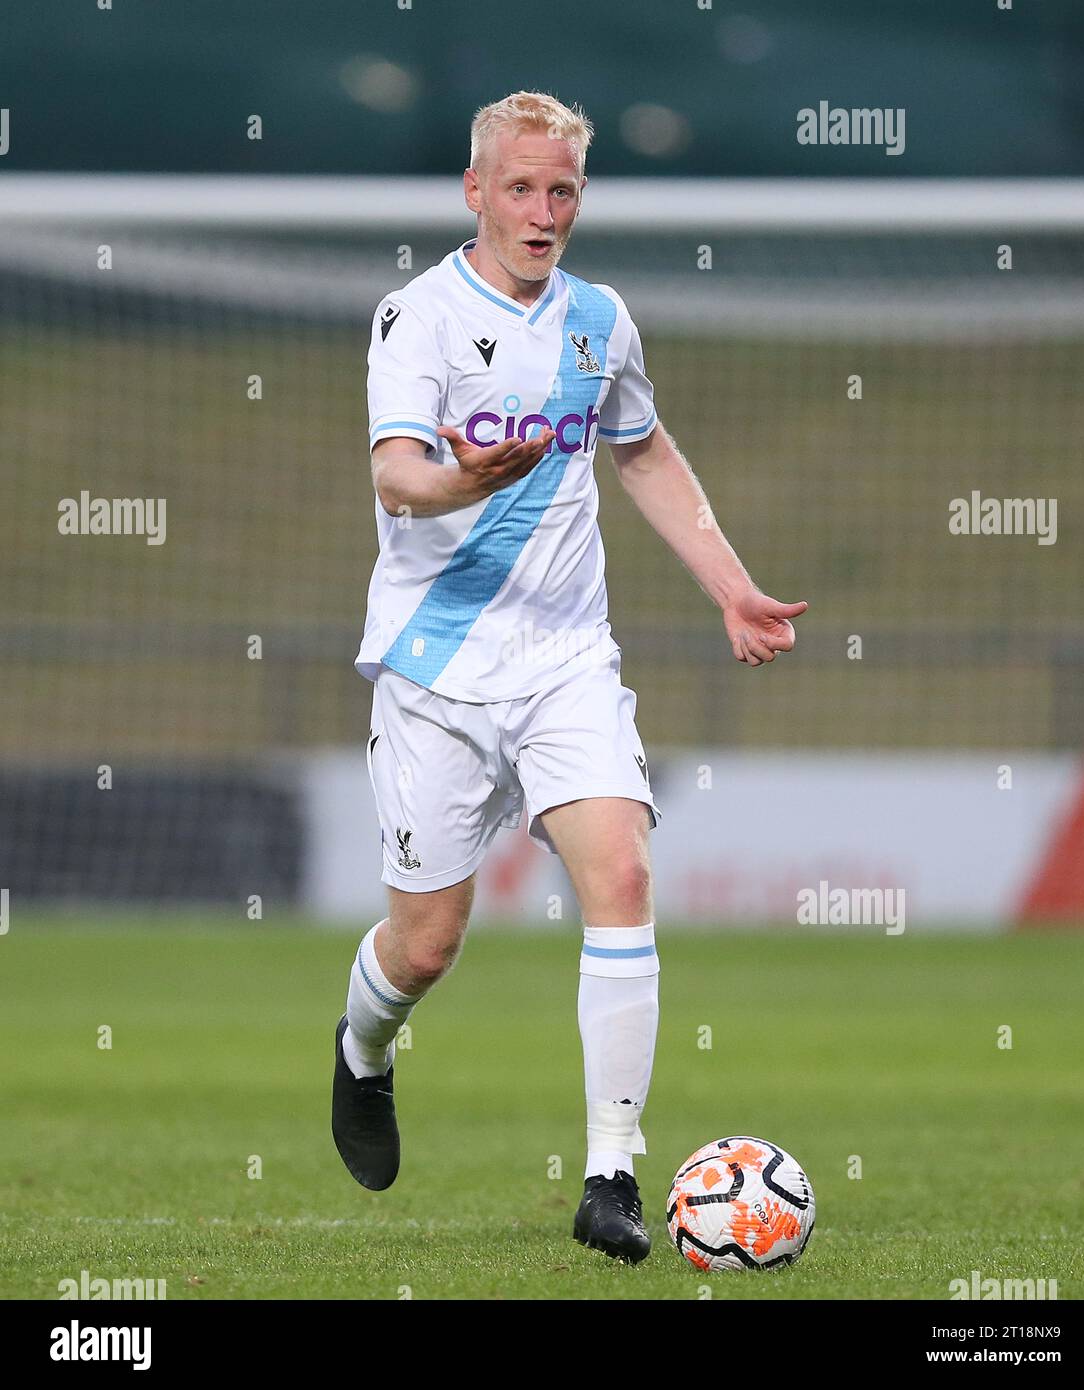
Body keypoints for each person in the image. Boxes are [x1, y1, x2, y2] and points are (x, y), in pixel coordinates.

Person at [332, 90, 807, 1263]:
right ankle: (362, 1050)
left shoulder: (600, 319)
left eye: (562, 191)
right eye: (520, 189)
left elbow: (641, 449)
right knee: (426, 944)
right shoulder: (418, 316)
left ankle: (610, 1176)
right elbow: (398, 476)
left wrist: (730, 584)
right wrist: (465, 479)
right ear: (475, 191)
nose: (543, 213)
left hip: (565, 662)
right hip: (437, 669)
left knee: (623, 871)